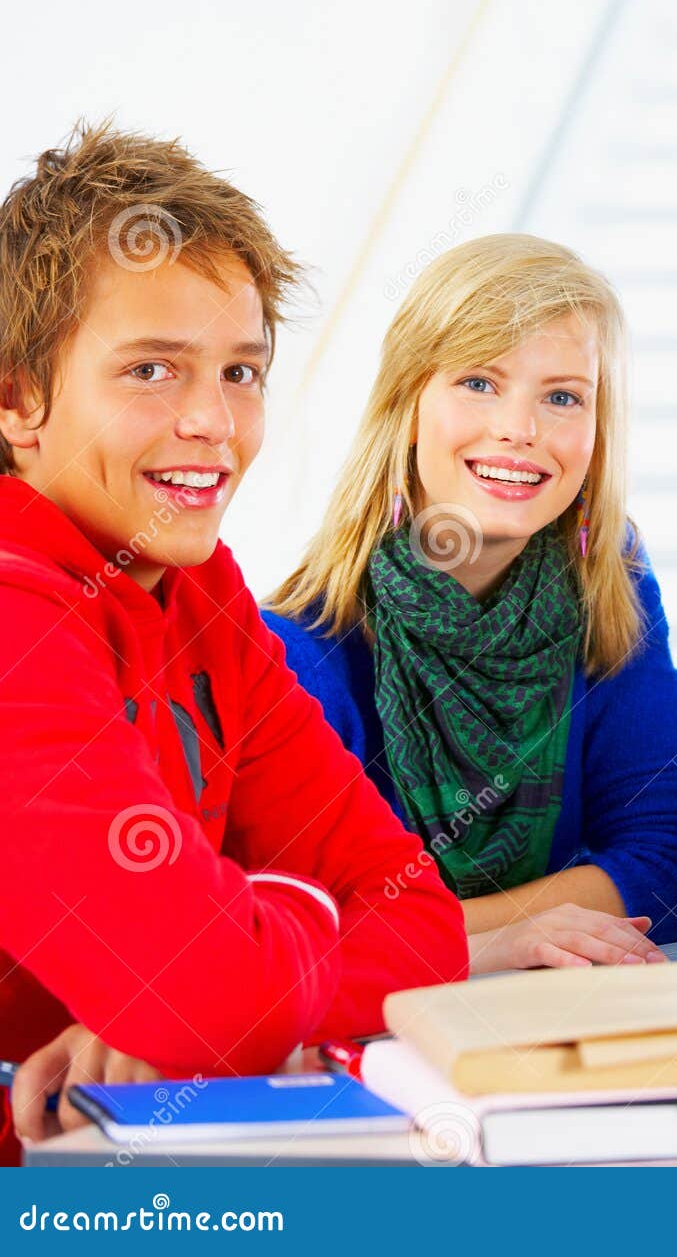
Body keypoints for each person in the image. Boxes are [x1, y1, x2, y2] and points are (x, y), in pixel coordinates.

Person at [0, 123, 468, 1158]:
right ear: (18, 400)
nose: (214, 421)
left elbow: (420, 919)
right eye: (153, 371)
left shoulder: (200, 592)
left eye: (242, 372)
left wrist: (218, 972)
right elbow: (210, 999)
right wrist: (282, 922)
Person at [265, 233, 677, 969]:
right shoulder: (297, 649)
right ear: (406, 406)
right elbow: (305, 934)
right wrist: (506, 943)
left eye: (562, 396)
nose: (519, 428)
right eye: (479, 382)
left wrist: (446, 936)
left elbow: (668, 864)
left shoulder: (611, 586)